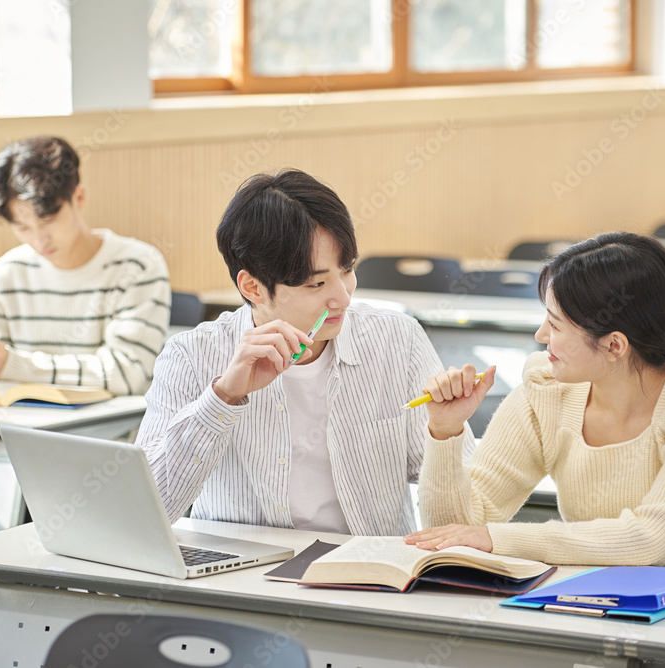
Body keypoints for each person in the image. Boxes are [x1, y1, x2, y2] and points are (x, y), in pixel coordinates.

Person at [136, 169, 475, 535]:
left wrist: (445, 431)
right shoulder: (191, 356)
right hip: (241, 583)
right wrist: (222, 398)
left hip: (369, 579)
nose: (343, 297)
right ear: (252, 286)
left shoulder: (397, 340)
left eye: (347, 271)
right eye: (316, 283)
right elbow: (148, 508)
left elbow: (465, 498)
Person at [406, 232, 665, 568]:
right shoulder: (547, 388)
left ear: (614, 346)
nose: (540, 335)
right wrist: (445, 430)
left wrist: (498, 539)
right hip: (598, 596)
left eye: (555, 325)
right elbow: (452, 534)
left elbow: (650, 540)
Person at [0, 136, 171, 396]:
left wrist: (18, 366)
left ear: (79, 198)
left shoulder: (137, 266)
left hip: (108, 432)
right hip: (17, 427)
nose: (39, 240)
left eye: (48, 220)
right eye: (22, 227)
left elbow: (125, 375)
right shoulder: (8, 272)